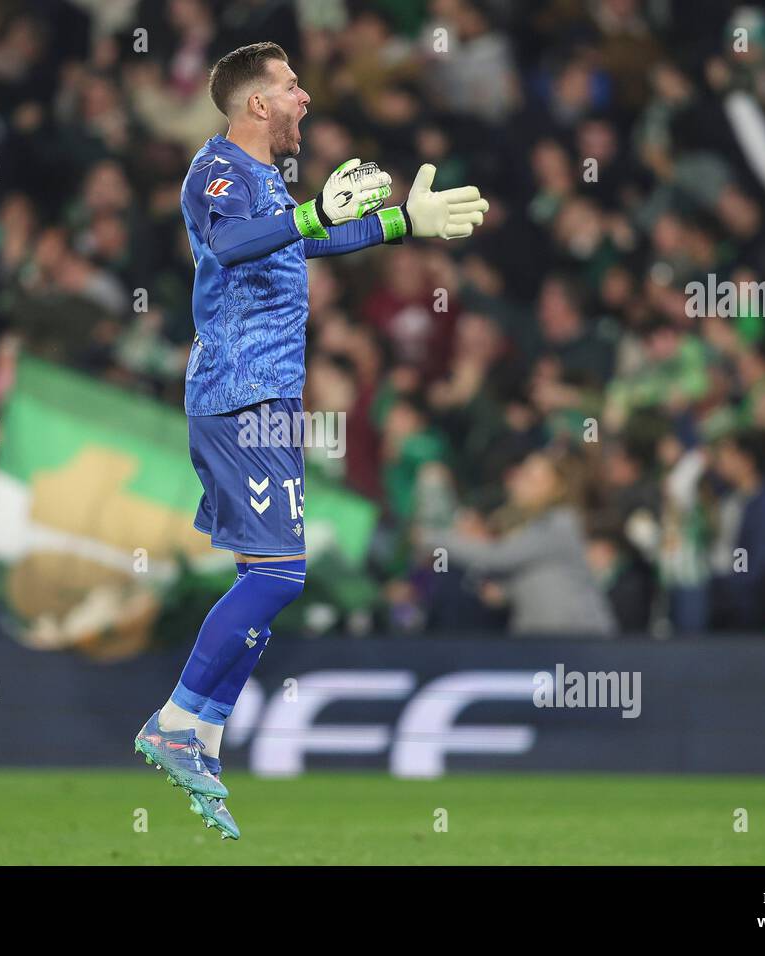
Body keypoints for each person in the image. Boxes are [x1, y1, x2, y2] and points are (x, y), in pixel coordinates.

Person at [133, 41, 487, 841]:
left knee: (275, 576)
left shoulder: (266, 184)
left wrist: (398, 221)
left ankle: (202, 732)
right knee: (281, 573)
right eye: (292, 88)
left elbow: (296, 239)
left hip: (269, 401)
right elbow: (230, 245)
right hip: (238, 395)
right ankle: (179, 718)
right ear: (257, 103)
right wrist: (317, 210)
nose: (305, 101)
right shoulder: (214, 171)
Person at [422, 449, 617, 635]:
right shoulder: (530, 526)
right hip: (543, 643)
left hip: (579, 640)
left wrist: (432, 537)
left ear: (558, 487)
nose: (519, 482)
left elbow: (496, 556)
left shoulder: (559, 524)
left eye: (531, 478)